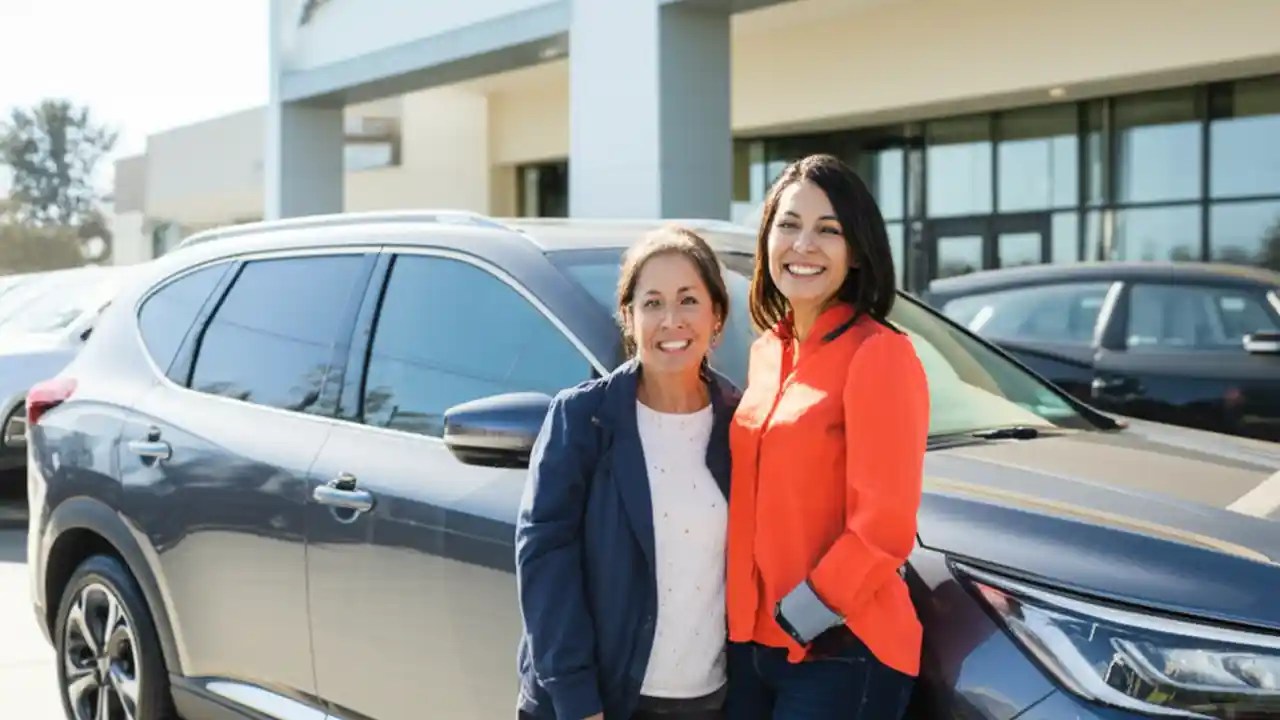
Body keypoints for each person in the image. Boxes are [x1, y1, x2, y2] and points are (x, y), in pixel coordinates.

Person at [724, 154, 931, 720]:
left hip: (843, 649)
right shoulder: (767, 353)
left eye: (828, 230)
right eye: (788, 225)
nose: (803, 245)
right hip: (755, 647)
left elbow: (884, 525)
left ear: (857, 251)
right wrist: (742, 625)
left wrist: (803, 615)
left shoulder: (879, 354)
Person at [515, 226, 742, 720]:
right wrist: (579, 703)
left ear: (716, 316)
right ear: (629, 317)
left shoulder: (741, 425)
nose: (671, 320)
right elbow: (545, 565)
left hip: (707, 700)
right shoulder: (582, 419)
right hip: (601, 703)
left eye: (688, 301)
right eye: (653, 303)